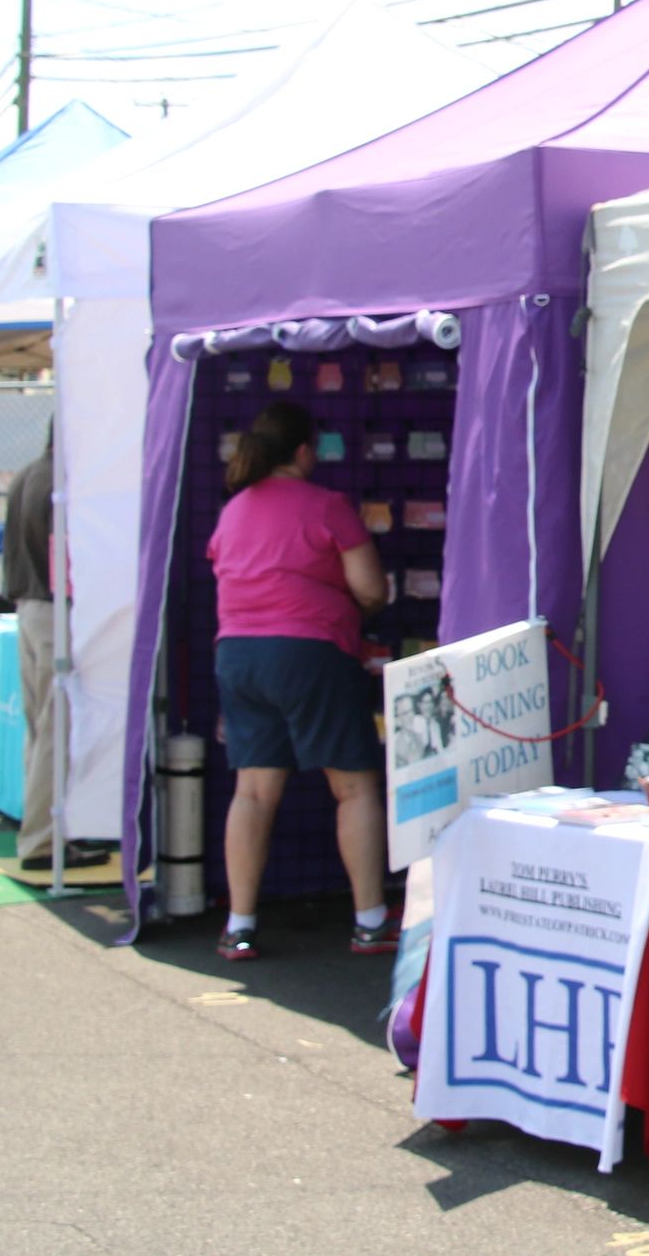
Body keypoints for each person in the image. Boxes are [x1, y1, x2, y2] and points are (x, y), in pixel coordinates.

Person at [207, 401, 392, 961]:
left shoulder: (232, 511)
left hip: (237, 654)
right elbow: (372, 590)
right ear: (305, 451)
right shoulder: (327, 505)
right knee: (353, 787)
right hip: (310, 651)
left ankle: (239, 925)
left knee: (253, 793)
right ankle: (369, 921)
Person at [4, 431, 110, 871]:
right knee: (55, 729)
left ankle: (46, 832)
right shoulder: (62, 484)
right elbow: (67, 558)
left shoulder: (26, 475)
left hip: (28, 607)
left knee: (40, 729)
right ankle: (44, 840)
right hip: (53, 612)